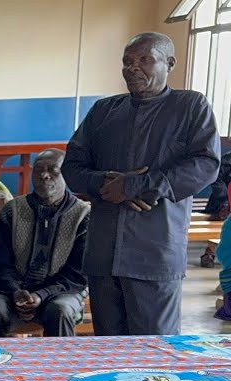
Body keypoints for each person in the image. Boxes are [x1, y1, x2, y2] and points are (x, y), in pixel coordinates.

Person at [64, 32, 221, 336]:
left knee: (155, 353)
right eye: (127, 61)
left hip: (154, 252)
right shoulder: (103, 111)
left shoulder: (190, 106)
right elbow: (72, 168)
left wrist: (138, 185)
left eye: (144, 60)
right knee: (108, 353)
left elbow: (205, 165)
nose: (132, 68)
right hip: (103, 255)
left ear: (170, 63)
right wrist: (108, 184)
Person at [0, 149, 89, 337]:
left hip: (62, 291)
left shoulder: (83, 216)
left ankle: (61, 365)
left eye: (53, 170)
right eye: (38, 170)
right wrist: (16, 291)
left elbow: (77, 275)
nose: (44, 176)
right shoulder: (12, 211)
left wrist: (41, 295)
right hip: (13, 290)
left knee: (60, 310)